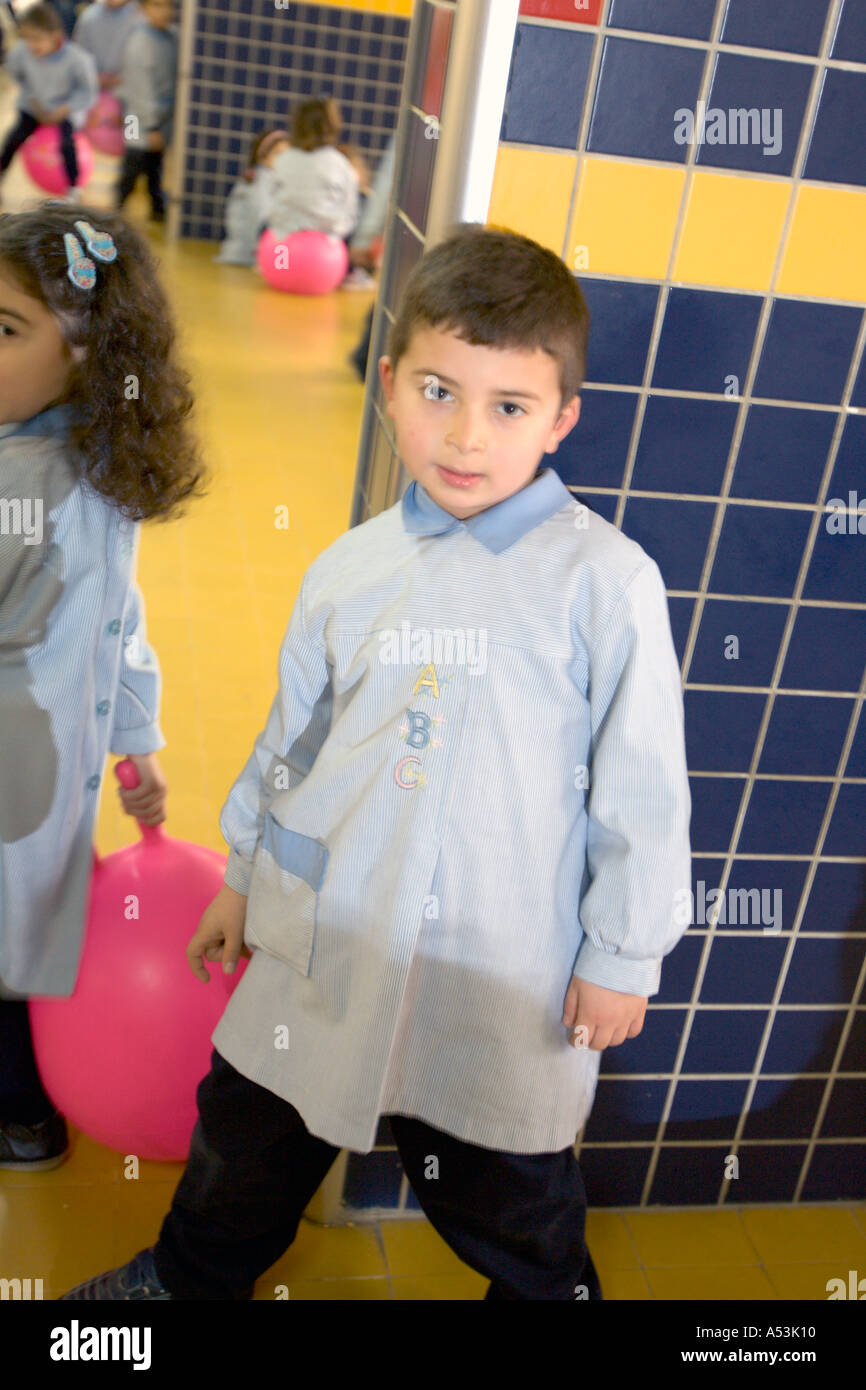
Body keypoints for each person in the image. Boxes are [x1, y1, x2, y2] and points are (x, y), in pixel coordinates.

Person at [61, 223, 692, 1302]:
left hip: (494, 971)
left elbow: (642, 791)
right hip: (328, 940)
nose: (463, 436)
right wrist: (248, 878)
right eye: (437, 392)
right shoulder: (350, 569)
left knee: (512, 1197)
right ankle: (177, 1283)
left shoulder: (604, 583)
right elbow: (289, 743)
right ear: (389, 384)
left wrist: (621, 954)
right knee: (244, 1139)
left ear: (559, 420)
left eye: (507, 406)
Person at [0, 201, 206, 1169]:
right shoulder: (96, 464)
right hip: (51, 783)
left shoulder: (24, 482)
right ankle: (33, 1110)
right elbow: (122, 626)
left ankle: (22, 1108)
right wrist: (139, 734)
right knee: (28, 939)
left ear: (83, 352)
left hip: (17, 775)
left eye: (4, 330)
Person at [0, 2, 98, 206]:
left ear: (55, 36)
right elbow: (19, 77)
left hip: (65, 110)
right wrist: (34, 103)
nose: (31, 45)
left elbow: (88, 91)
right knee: (13, 140)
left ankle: (73, 190)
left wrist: (65, 109)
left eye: (37, 39)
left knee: (67, 144)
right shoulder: (20, 52)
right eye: (27, 39)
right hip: (34, 107)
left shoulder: (78, 59)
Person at [265, 97, 359, 252]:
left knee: (270, 238)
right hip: (326, 249)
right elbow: (350, 209)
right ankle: (349, 269)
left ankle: (274, 266)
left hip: (283, 246)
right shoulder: (340, 163)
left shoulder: (283, 160)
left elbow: (269, 200)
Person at [114, 0, 176, 223]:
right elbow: (139, 89)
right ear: (144, 8)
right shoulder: (139, 42)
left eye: (168, 6)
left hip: (158, 117)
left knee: (154, 162)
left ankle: (157, 206)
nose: (165, 11)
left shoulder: (171, 37)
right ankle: (118, 206)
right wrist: (152, 126)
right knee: (134, 158)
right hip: (136, 115)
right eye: (157, 5)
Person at [213, 127, 290, 268]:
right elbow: (260, 218)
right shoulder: (261, 181)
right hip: (248, 256)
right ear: (262, 156)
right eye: (278, 154)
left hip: (238, 251)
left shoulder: (257, 177)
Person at [73, 0, 142, 94]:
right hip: (94, 89)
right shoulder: (88, 18)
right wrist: (95, 78)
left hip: (133, 89)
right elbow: (78, 61)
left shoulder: (141, 16)